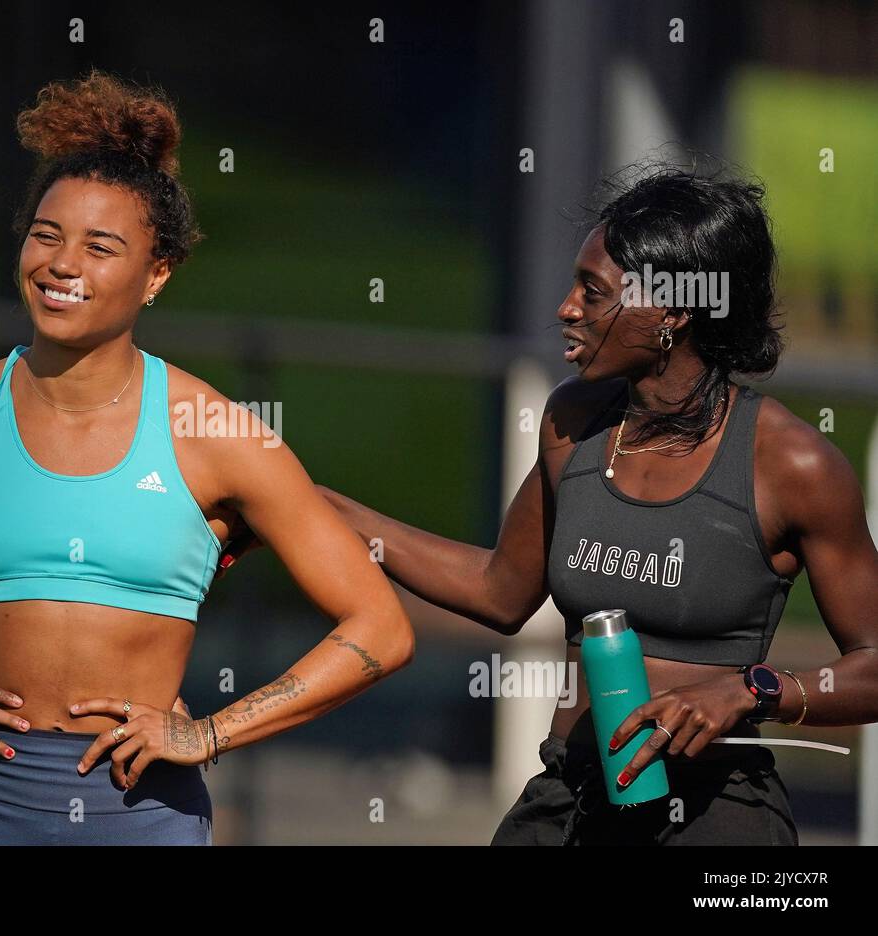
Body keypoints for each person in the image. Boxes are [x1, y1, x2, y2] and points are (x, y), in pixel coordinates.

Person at [0, 70, 414, 846]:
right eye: (46, 234)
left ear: (157, 274)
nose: (63, 264)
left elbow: (379, 627)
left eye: (101, 247)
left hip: (142, 817)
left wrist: (208, 735)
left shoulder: (216, 432)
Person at [221, 167, 878, 844]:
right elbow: (500, 591)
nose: (566, 308)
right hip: (568, 797)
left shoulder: (792, 464)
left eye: (593, 292)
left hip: (713, 812)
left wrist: (754, 690)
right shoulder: (574, 420)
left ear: (673, 314)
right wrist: (319, 507)